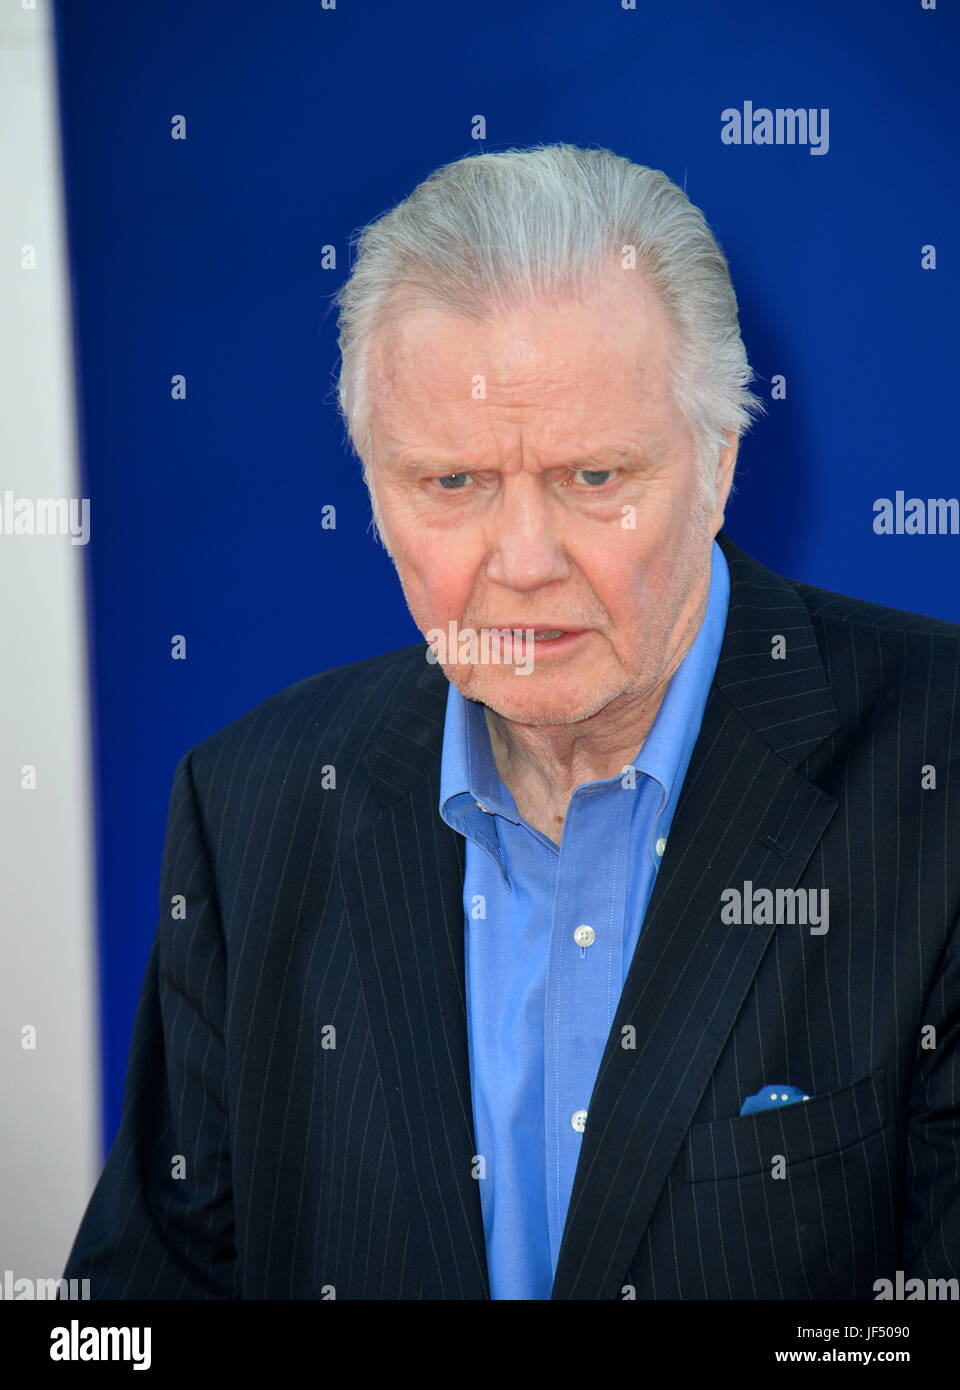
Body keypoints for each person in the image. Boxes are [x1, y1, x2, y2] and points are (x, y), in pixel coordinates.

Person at [65, 144, 960, 1299]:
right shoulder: (251, 807)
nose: (525, 564)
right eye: (454, 484)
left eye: (595, 477)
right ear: (376, 493)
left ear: (720, 463)